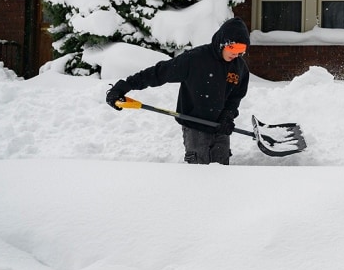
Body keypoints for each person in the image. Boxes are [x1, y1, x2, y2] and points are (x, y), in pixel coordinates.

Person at [106, 18, 250, 165]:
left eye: (241, 50)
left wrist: (228, 116)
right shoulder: (195, 59)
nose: (236, 54)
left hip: (219, 127)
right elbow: (159, 73)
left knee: (222, 171)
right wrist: (124, 86)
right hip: (195, 126)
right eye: (233, 48)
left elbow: (235, 96)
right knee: (198, 171)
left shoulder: (239, 67)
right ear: (222, 43)